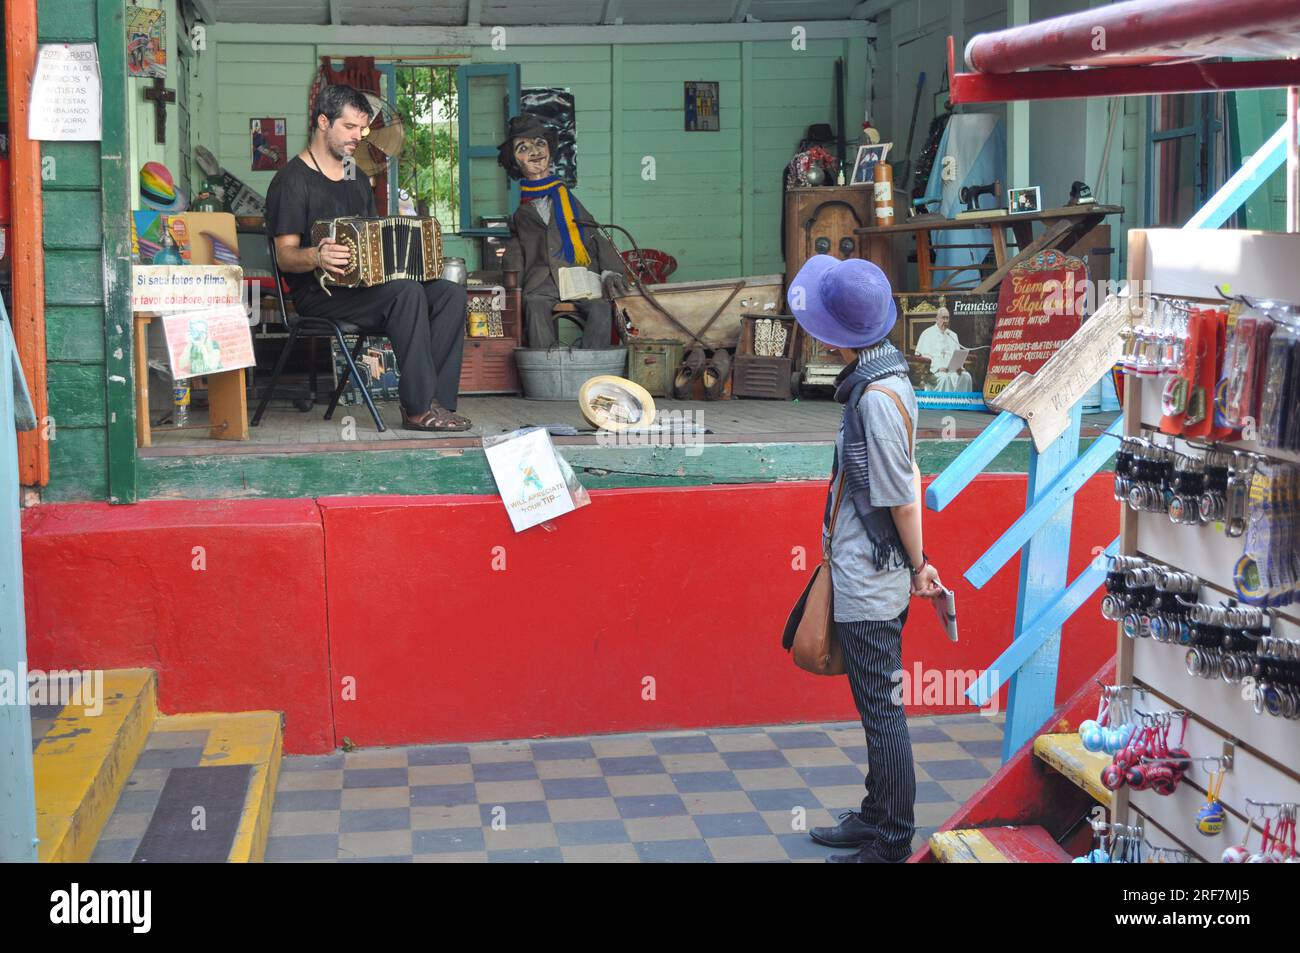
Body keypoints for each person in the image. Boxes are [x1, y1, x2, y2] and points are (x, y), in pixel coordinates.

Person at [788, 255, 944, 863]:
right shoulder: (886, 377)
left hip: (871, 575)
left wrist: (920, 564)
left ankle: (891, 839)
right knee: (874, 703)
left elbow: (902, 497)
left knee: (882, 712)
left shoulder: (874, 398)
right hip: (870, 568)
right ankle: (876, 814)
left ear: (836, 336)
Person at [265, 84, 470, 432]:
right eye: (350, 127)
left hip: (365, 288)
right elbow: (285, 257)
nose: (359, 136)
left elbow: (371, 238)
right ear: (323, 122)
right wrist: (317, 255)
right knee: (405, 292)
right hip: (321, 294)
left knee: (448, 292)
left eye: (363, 129)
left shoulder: (355, 177)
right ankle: (418, 409)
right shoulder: (291, 180)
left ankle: (438, 402)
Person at [497, 114, 630, 349]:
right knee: (534, 307)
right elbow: (516, 248)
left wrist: (610, 271)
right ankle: (545, 372)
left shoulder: (567, 200)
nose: (535, 152)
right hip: (541, 283)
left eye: (540, 143)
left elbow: (594, 234)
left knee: (600, 309)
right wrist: (510, 280)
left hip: (577, 276)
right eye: (523, 148)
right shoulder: (521, 212)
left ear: (549, 148)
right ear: (515, 160)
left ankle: (591, 373)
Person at [913, 306, 973, 391]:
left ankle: (962, 403)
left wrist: (959, 366)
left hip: (952, 371)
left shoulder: (953, 335)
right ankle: (945, 403)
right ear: (937, 319)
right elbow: (923, 358)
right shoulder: (927, 334)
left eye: (947, 318)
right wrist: (939, 368)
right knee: (945, 378)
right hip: (935, 371)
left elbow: (957, 356)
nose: (945, 321)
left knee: (966, 376)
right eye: (943, 318)